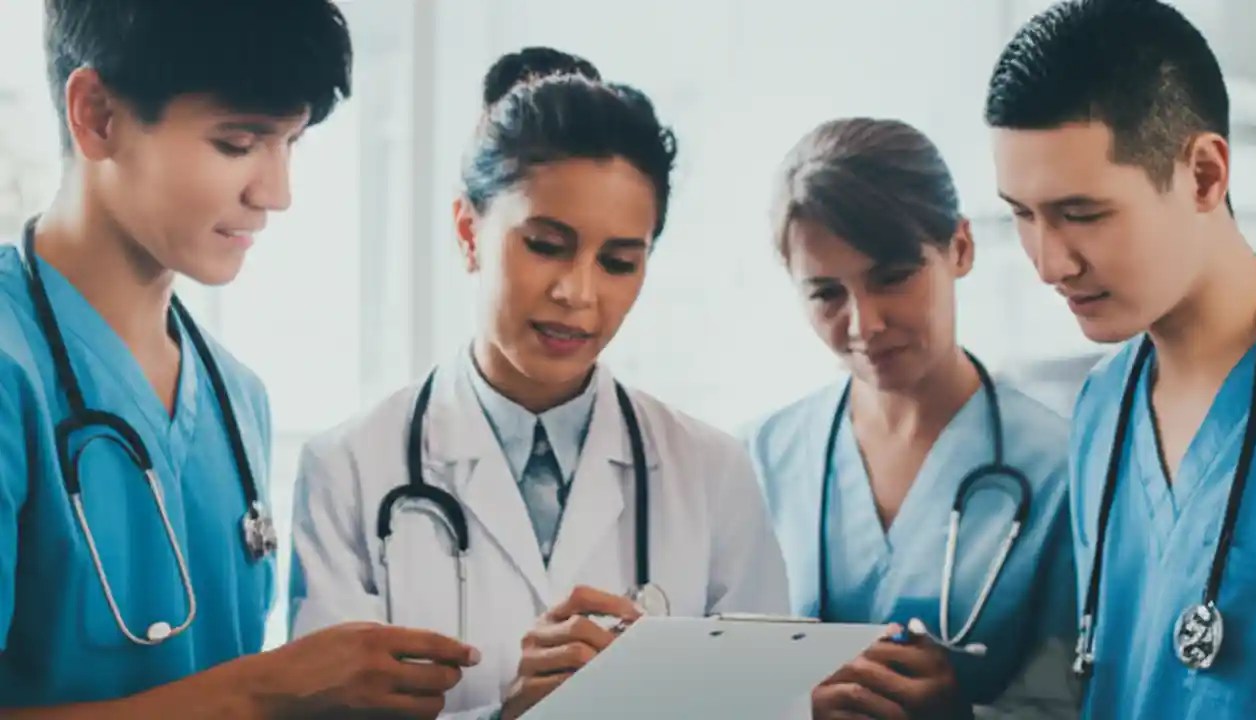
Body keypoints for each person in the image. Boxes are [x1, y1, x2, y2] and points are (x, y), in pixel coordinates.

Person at [0, 1, 479, 715]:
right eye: (237, 143)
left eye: (291, 143)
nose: (275, 194)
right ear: (97, 116)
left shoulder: (236, 397)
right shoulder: (13, 372)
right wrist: (263, 690)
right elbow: (245, 695)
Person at [287, 46, 790, 720]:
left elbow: (771, 710)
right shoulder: (348, 470)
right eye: (546, 246)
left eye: (618, 262)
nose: (578, 293)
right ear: (469, 232)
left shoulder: (710, 473)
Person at [986, 0, 1256, 717]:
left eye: (1082, 214)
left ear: (1204, 175)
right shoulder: (1101, 407)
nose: (1049, 264)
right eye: (1022, 214)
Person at [743, 117, 1078, 719]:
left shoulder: (1061, 466)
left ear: (961, 248)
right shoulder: (761, 457)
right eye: (826, 293)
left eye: (892, 278)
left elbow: (1082, 701)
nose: (864, 323)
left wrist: (959, 716)